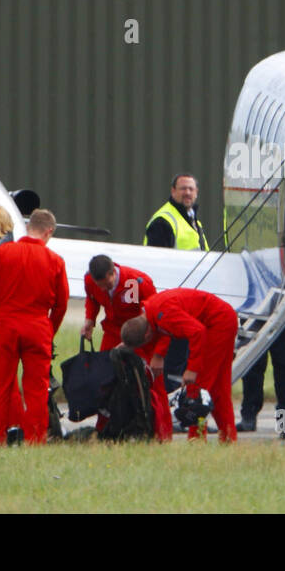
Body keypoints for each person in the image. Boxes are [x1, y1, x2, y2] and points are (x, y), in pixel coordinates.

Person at [0, 208, 68, 445]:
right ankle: (35, 440)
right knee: (37, 389)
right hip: (38, 327)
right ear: (48, 232)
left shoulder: (0, 253)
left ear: (27, 227)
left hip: (7, 324)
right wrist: (49, 329)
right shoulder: (56, 261)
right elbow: (61, 304)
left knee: (1, 387)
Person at [120, 287, 238, 443]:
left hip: (218, 324)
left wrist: (192, 369)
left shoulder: (164, 315)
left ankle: (196, 441)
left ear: (147, 334)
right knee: (218, 389)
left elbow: (198, 332)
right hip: (222, 319)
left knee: (197, 389)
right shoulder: (150, 312)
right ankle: (229, 438)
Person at [81, 254, 170, 440]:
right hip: (113, 333)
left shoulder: (139, 282)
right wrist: (90, 319)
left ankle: (161, 434)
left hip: (143, 335)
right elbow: (92, 299)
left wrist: (157, 353)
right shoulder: (90, 280)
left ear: (113, 272)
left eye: (108, 284)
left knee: (153, 383)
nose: (105, 289)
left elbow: (158, 318)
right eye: (101, 286)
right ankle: (105, 431)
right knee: (105, 380)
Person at [142, 173, 207, 386]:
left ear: (196, 193)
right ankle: (168, 407)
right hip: (170, 303)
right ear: (173, 192)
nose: (187, 192)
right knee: (172, 361)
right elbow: (156, 263)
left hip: (188, 301)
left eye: (191, 189)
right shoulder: (164, 221)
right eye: (183, 188)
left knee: (185, 359)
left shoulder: (192, 220)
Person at [237, 323, 285, 433]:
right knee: (252, 366)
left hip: (282, 319)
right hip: (258, 315)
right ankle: (249, 415)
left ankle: (283, 419)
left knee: (284, 369)